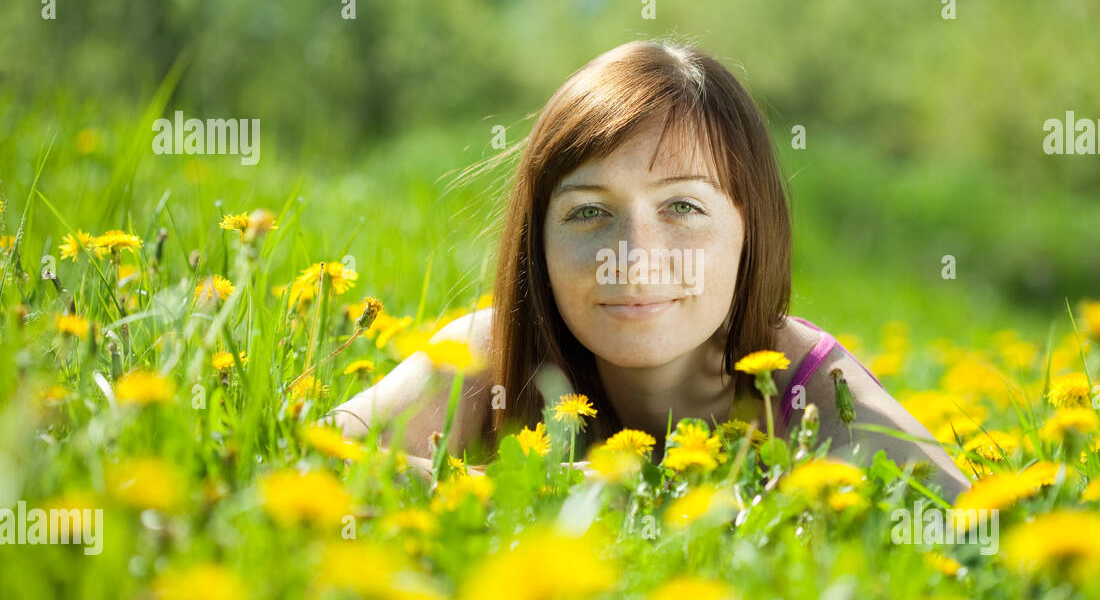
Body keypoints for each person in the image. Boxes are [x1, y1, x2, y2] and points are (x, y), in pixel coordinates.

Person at [326, 39, 971, 501]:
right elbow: (315, 455)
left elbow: (977, 525)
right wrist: (527, 493)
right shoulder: (490, 353)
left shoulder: (804, 385)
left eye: (683, 206)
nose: (634, 255)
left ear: (752, 230)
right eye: (587, 214)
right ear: (537, 241)